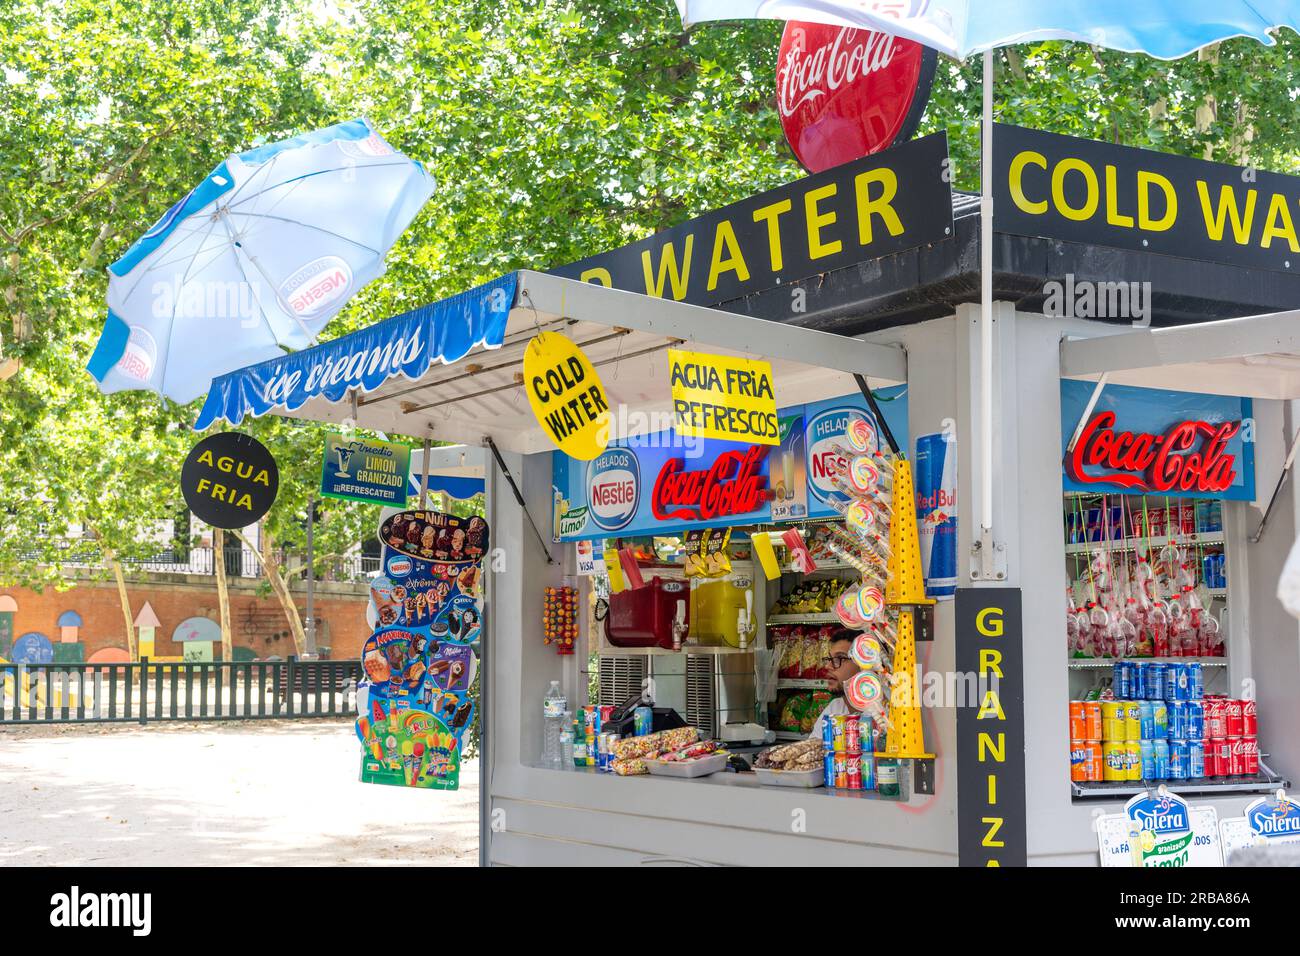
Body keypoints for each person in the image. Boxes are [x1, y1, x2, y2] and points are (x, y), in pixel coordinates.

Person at [808, 628, 865, 742]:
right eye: (829, 659)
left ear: (864, 664)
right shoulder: (836, 708)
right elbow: (814, 746)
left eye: (839, 658)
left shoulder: (885, 712)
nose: (828, 666)